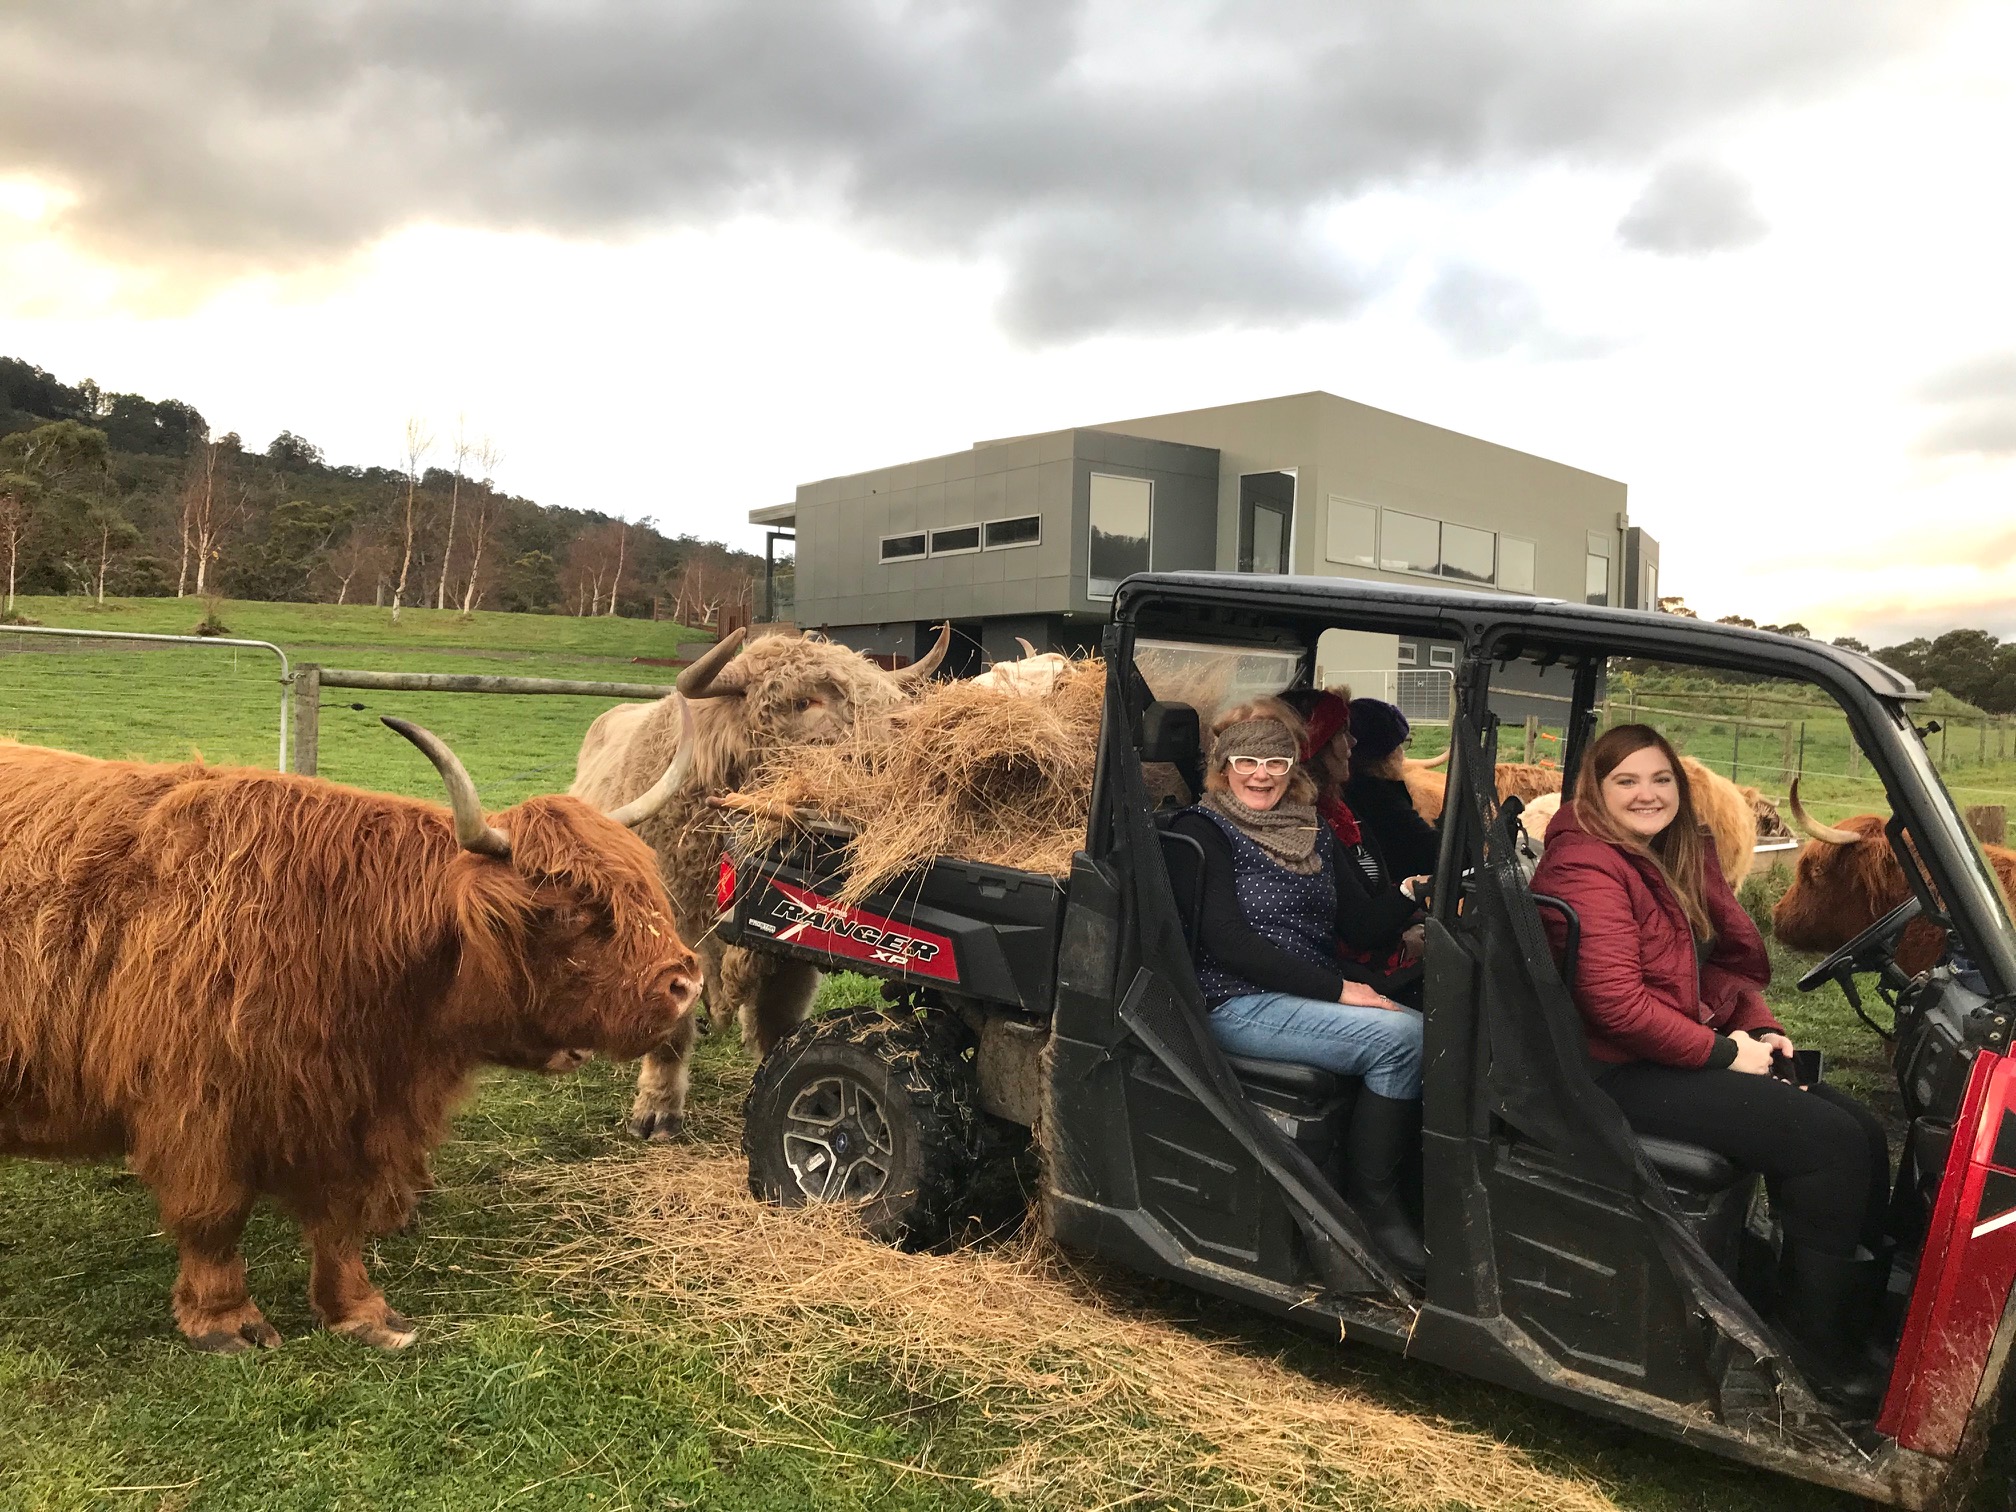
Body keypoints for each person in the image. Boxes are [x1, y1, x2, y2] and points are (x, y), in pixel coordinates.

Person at [1529, 723, 1892, 1413]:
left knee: (1863, 1129)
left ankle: (1838, 1315)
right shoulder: (1586, 864)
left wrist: (1758, 1025)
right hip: (1610, 1072)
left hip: (1669, 1048)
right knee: (1829, 1145)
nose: (1647, 794)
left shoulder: (1668, 852)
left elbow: (1719, 964)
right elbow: (1615, 1006)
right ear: (1595, 791)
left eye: (1660, 779)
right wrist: (1727, 1053)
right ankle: (1813, 1349)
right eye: (1626, 781)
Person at [1170, 698, 1429, 1277]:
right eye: (1245, 759)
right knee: (1403, 1040)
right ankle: (1373, 1210)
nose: (1260, 773)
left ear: (1294, 765)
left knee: (1433, 1005)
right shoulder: (1201, 832)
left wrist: (1414, 892)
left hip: (1304, 993)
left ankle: (1418, 1190)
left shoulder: (1311, 828)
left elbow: (1358, 925)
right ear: (1222, 764)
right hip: (1235, 1001)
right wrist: (1340, 991)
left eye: (1276, 759)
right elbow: (1230, 943)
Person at [1287, 688, 1428, 983]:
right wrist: (1414, 890)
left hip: (1379, 953)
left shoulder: (1342, 811)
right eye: (1342, 733)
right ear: (1318, 746)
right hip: (1353, 971)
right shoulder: (1306, 825)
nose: (1352, 743)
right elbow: (1359, 928)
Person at [1342, 698, 1442, 879]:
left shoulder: (1347, 789)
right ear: (1384, 754)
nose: (1402, 754)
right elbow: (1434, 854)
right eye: (1399, 746)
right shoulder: (1378, 799)